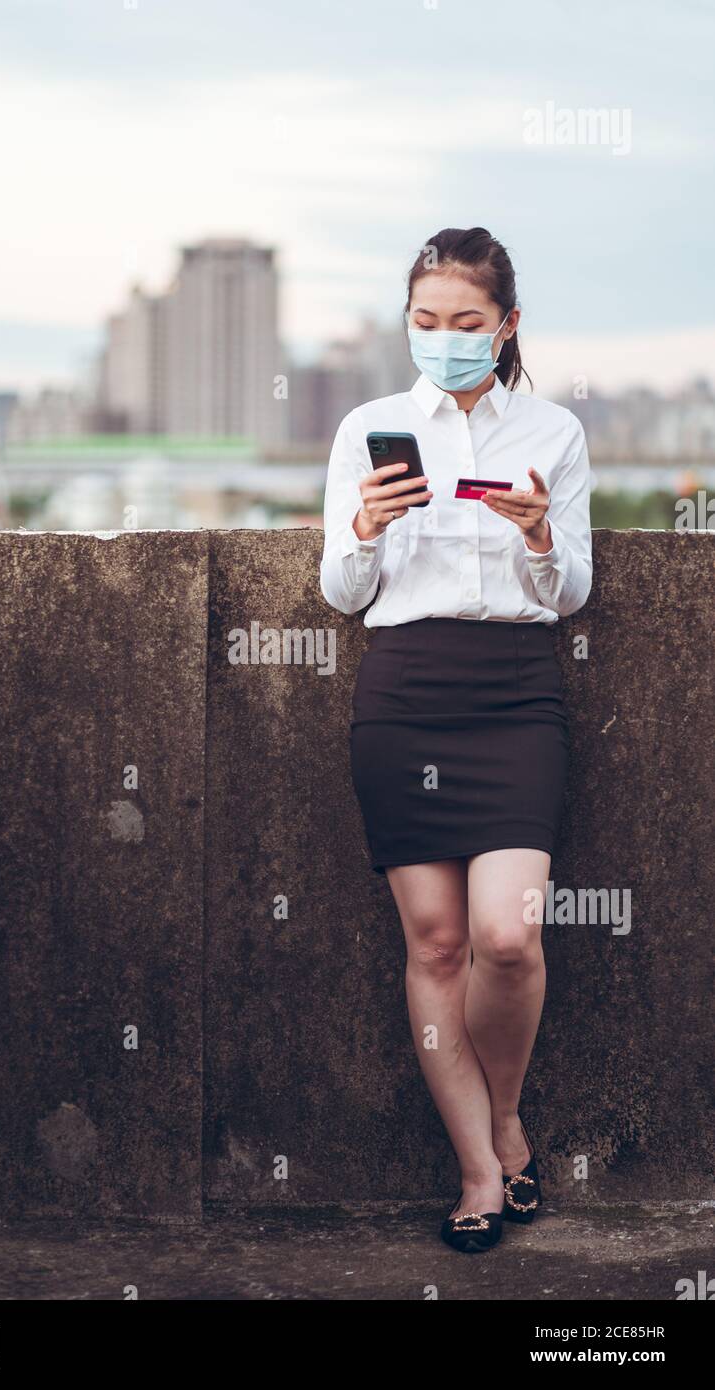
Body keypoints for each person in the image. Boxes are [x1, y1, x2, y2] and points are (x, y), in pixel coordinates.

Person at [319, 226, 593, 1253]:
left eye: (464, 323)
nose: (442, 339)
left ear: (504, 325)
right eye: (424, 322)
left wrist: (533, 537)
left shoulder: (553, 433)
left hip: (514, 695)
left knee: (505, 937)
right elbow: (340, 595)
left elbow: (571, 590)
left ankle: (507, 1108)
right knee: (432, 944)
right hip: (401, 693)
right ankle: (478, 1165)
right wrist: (361, 532)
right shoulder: (369, 426)